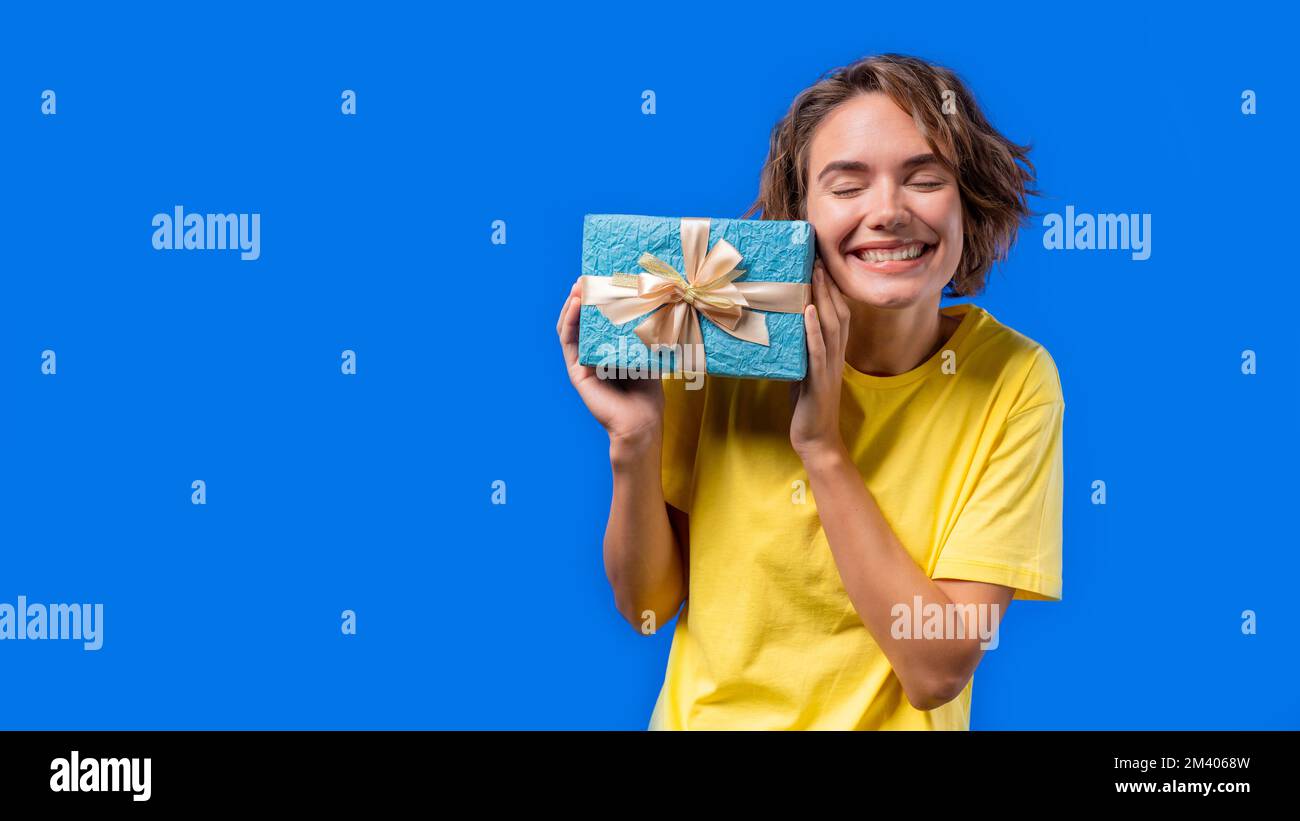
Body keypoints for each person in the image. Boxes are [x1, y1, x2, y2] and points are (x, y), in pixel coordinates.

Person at [556, 53, 1063, 730]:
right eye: (848, 186)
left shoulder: (1013, 380)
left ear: (969, 199)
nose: (888, 211)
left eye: (924, 178)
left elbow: (937, 669)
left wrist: (821, 446)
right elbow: (646, 604)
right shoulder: (716, 335)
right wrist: (634, 440)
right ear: (798, 218)